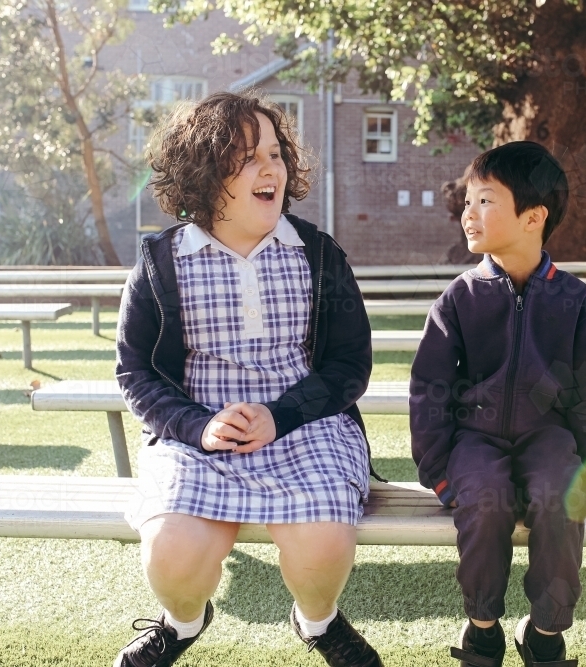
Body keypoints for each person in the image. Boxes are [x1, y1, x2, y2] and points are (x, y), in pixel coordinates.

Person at [114, 90, 383, 667]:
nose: (270, 169)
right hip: (198, 436)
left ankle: (318, 623)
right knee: (172, 553)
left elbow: (348, 365)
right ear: (205, 175)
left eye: (275, 153)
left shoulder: (317, 254)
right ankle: (182, 624)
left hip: (305, 426)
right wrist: (199, 426)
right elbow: (135, 371)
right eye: (246, 157)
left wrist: (280, 415)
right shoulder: (161, 261)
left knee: (324, 545)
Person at [409, 141, 586, 666]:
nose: (467, 212)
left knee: (560, 494)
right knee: (483, 499)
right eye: (467, 201)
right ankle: (482, 625)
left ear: (533, 217)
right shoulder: (458, 298)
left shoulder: (574, 301)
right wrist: (437, 471)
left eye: (484, 200)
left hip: (550, 438)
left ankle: (545, 630)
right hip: (473, 442)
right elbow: (428, 389)